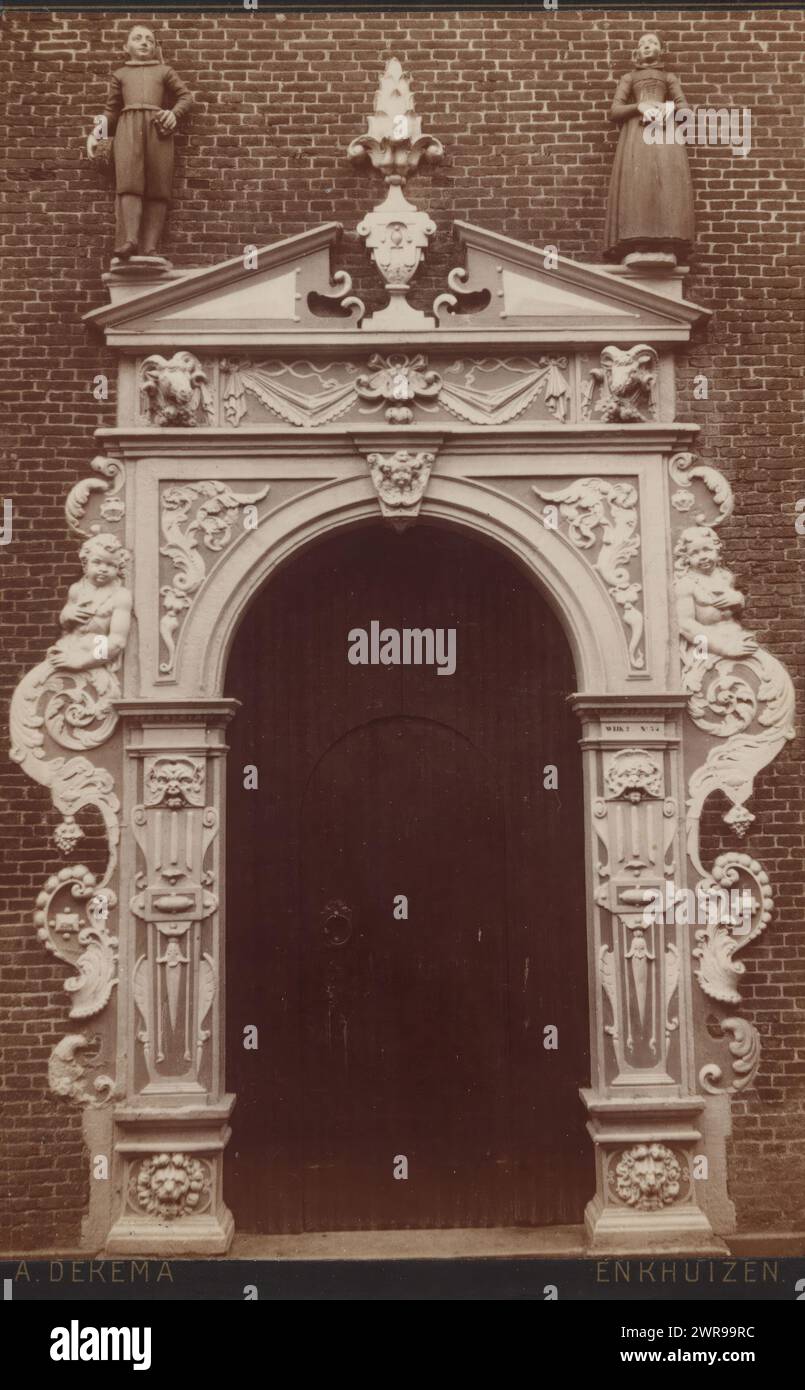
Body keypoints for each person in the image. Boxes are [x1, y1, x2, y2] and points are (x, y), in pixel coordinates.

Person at [87, 25, 192, 260]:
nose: (144, 42)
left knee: (159, 184)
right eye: (137, 38)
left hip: (159, 130)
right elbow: (111, 110)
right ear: (126, 47)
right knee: (129, 181)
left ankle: (150, 246)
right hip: (128, 128)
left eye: (149, 40)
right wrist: (97, 133)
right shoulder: (121, 75)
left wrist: (174, 113)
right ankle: (131, 240)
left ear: (155, 48)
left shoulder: (164, 71)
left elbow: (186, 96)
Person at [604, 31, 695, 264]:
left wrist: (668, 108)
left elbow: (684, 107)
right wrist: (640, 106)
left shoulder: (669, 78)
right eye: (642, 43)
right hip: (637, 135)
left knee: (666, 183)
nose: (647, 46)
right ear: (637, 51)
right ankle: (637, 240)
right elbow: (615, 111)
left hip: (665, 135)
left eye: (652, 43)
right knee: (638, 184)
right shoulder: (629, 78)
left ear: (660, 50)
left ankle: (667, 240)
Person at [48, 533, 132, 672]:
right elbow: (66, 627)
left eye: (111, 565)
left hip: (93, 657)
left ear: (118, 568)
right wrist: (67, 615)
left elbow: (117, 641)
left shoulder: (121, 596)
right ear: (85, 564)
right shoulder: (77, 589)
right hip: (66, 649)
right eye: (97, 562)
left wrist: (81, 662)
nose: (103, 569)